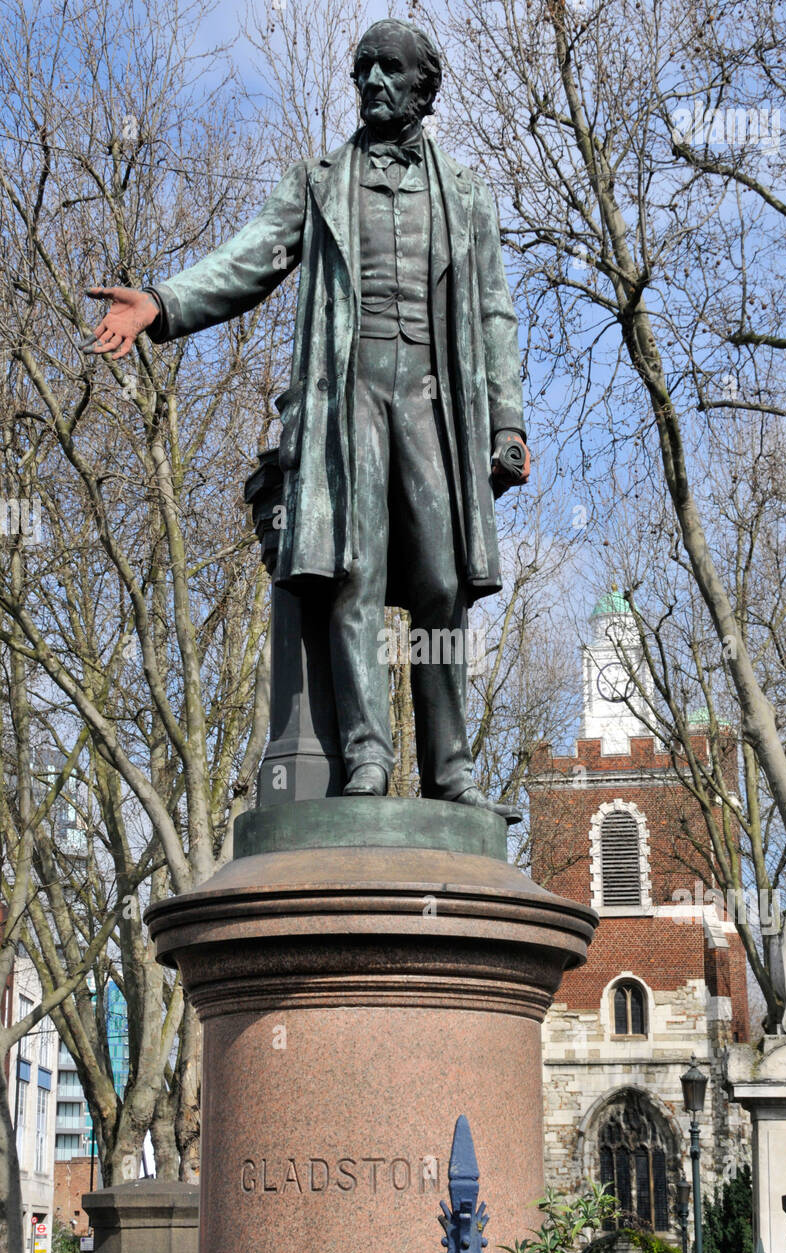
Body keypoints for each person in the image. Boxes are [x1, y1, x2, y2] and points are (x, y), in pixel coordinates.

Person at [84, 19, 529, 817]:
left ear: (425, 87)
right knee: (354, 571)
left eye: (390, 71)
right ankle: (366, 760)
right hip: (349, 394)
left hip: (435, 400)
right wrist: (162, 303)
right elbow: (251, 257)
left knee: (439, 580)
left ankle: (450, 771)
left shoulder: (464, 195)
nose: (372, 84)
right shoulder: (321, 180)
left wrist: (506, 422)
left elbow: (493, 312)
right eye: (362, 70)